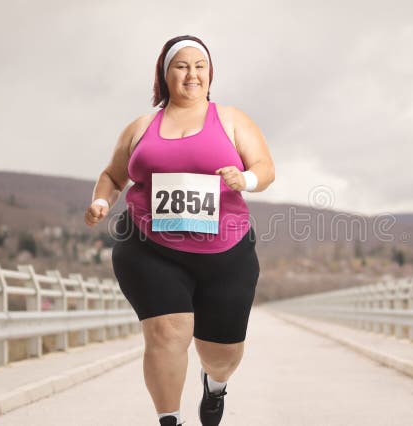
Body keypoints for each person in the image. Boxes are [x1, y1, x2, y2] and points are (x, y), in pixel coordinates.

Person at [84, 35, 275, 426]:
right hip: (149, 245)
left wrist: (246, 180)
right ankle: (170, 420)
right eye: (182, 66)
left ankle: (216, 384)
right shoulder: (141, 126)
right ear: (165, 73)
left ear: (210, 73)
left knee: (222, 354)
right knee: (167, 333)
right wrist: (102, 201)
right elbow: (112, 175)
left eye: (199, 66)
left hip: (225, 251)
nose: (192, 74)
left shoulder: (232, 119)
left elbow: (265, 168)